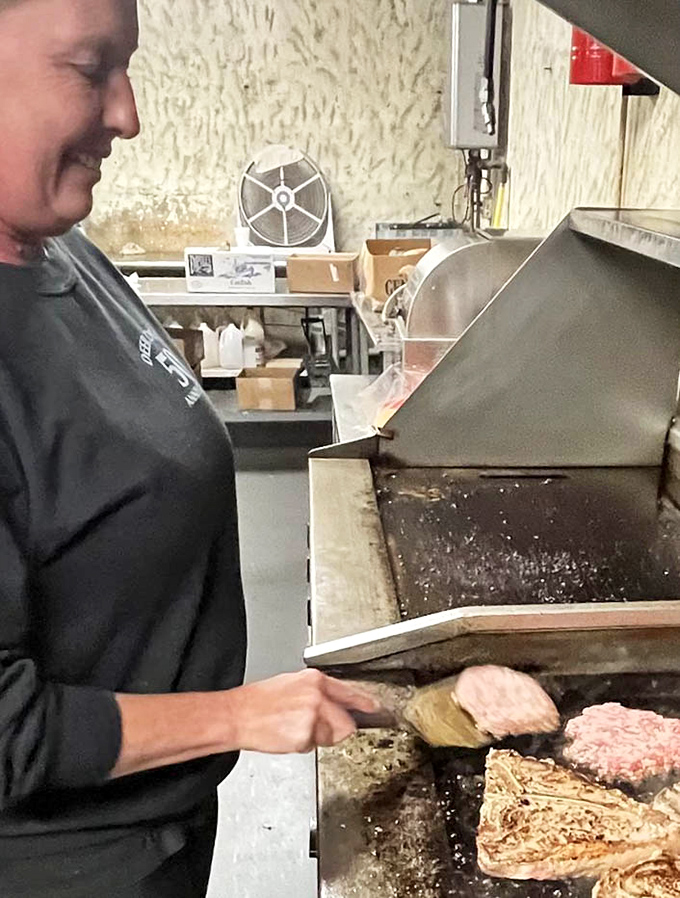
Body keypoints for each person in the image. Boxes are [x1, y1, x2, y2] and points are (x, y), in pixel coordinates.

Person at [0, 0, 376, 895]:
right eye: (92, 69)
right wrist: (239, 714)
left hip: (157, 823)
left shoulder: (63, 253)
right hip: (65, 865)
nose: (129, 113)